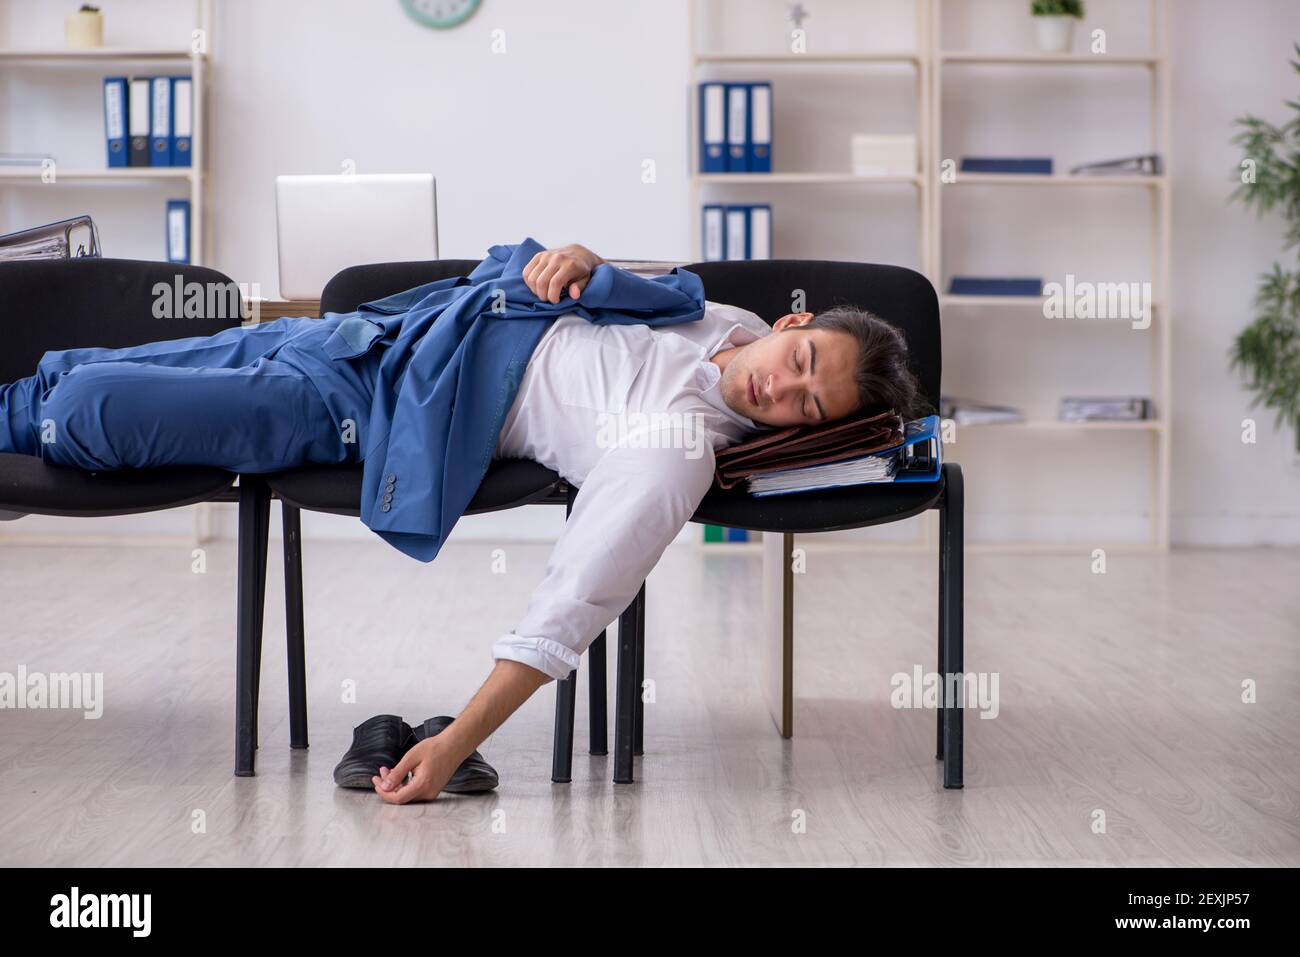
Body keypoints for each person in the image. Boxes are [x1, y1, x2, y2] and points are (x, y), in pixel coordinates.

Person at [0, 242, 925, 803]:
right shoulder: (712, 312)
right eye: (801, 359)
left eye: (806, 408)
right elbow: (588, 284)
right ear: (791, 320)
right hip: (372, 330)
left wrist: (455, 743)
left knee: (88, 404)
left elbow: (578, 596)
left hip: (368, 410)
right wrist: (576, 259)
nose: (781, 387)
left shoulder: (675, 446)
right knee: (67, 368)